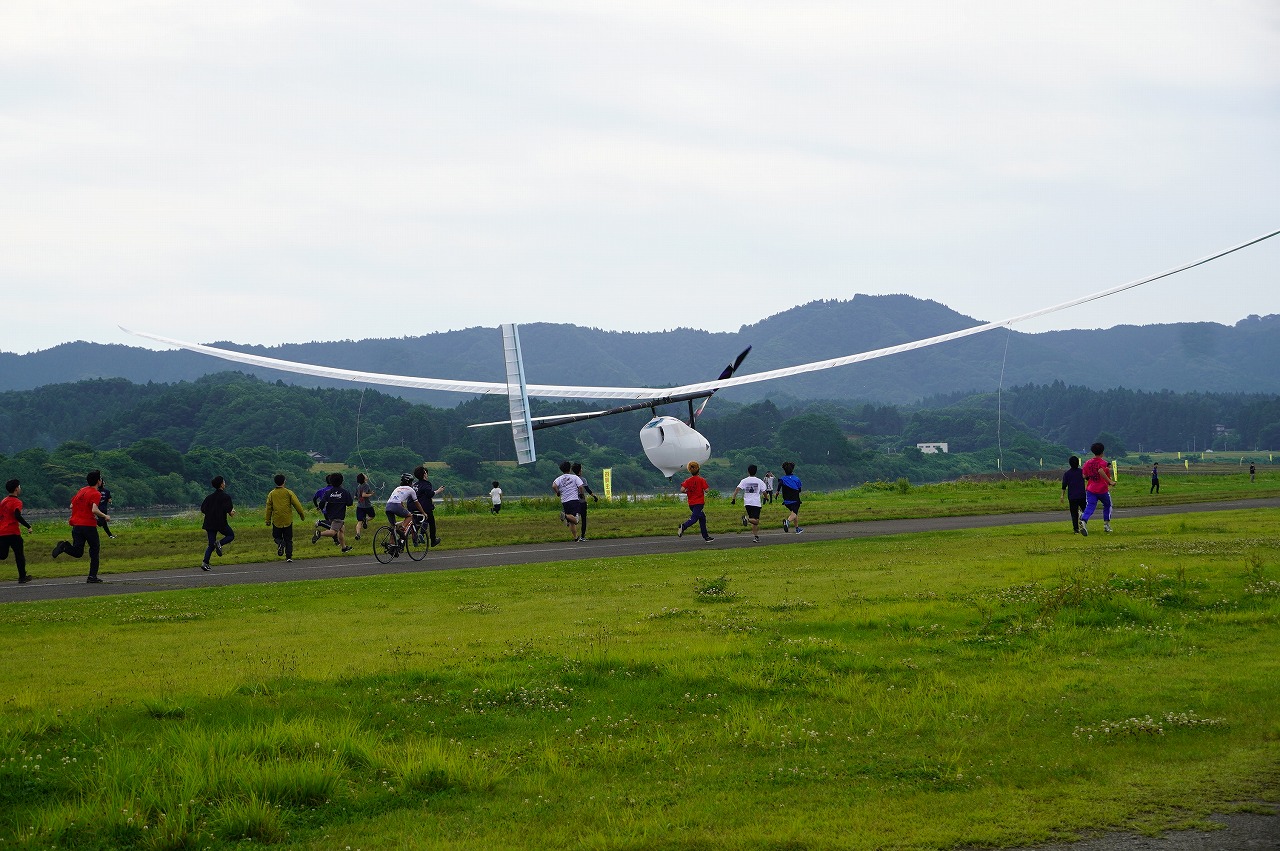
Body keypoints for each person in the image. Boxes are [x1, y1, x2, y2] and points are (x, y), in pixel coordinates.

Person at [51, 469, 111, 583]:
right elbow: (94, 509)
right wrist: (105, 516)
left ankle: (64, 546)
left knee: (78, 552)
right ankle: (92, 576)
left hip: (76, 525)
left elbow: (71, 505)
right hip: (88, 526)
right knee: (94, 549)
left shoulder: (82, 490)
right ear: (98, 481)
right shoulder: (96, 493)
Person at [264, 474, 306, 562]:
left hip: (277, 519)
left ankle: (280, 543)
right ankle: (289, 557)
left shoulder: (271, 494)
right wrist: (302, 515)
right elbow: (297, 504)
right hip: (287, 519)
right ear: (284, 481)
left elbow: (268, 508)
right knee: (289, 539)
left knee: (276, 536)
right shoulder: (289, 492)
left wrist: (267, 520)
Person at [0, 479, 33, 583]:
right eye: (19, 487)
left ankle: (23, 577)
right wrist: (28, 526)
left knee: (3, 555)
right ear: (16, 489)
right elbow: (17, 515)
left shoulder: (3, 501)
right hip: (13, 532)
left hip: (2, 532)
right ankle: (22, 577)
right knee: (19, 555)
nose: (20, 488)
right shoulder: (17, 502)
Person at [1079, 442, 1115, 536]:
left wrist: (1089, 477)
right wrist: (1110, 482)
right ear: (1102, 452)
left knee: (1090, 506)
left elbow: (1084, 475)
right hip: (1102, 489)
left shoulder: (1087, 463)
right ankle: (1106, 524)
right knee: (1107, 505)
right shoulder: (1104, 463)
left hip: (1091, 489)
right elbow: (1101, 471)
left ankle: (1083, 520)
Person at [199, 476, 235, 570]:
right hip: (221, 523)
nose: (224, 483)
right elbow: (230, 512)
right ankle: (219, 543)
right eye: (224, 482)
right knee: (230, 535)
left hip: (209, 523)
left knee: (211, 544)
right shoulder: (226, 497)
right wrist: (232, 512)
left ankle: (205, 563)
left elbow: (203, 509)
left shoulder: (209, 498)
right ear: (221, 484)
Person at [313, 472, 355, 552]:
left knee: (341, 529)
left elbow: (322, 503)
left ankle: (344, 547)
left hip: (330, 515)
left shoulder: (328, 492)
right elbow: (350, 503)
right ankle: (319, 534)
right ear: (342, 481)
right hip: (339, 515)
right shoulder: (345, 492)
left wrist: (320, 508)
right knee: (333, 532)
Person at [677, 460, 714, 542]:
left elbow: (682, 489)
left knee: (702, 518)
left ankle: (706, 536)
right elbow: (707, 490)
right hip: (699, 503)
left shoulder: (688, 480)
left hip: (691, 503)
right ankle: (683, 526)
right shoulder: (701, 480)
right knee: (694, 518)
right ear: (698, 469)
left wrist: (688, 492)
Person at [385, 473, 426, 543]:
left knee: (393, 527)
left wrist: (404, 510)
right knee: (409, 516)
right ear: (409, 482)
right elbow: (417, 503)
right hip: (396, 506)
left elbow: (399, 501)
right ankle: (402, 529)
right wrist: (423, 512)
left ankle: (391, 545)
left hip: (388, 506)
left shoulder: (397, 488)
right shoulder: (411, 489)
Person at [731, 464, 767, 543]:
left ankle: (756, 536)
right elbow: (764, 491)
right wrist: (766, 498)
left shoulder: (744, 480)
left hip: (747, 503)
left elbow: (737, 489)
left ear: (748, 471)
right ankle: (746, 519)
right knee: (756, 521)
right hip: (756, 503)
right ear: (756, 471)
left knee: (753, 520)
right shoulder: (759, 481)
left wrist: (733, 498)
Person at [552, 461, 585, 542]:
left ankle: (575, 537)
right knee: (576, 520)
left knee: (571, 522)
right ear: (570, 469)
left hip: (565, 501)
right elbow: (580, 486)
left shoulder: (559, 478)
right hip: (573, 500)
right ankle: (565, 516)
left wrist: (558, 492)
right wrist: (581, 494)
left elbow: (554, 485)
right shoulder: (574, 477)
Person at [413, 466, 444, 547]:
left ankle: (415, 538)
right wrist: (438, 491)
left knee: (417, 523)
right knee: (432, 523)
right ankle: (433, 540)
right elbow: (430, 494)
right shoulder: (426, 484)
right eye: (426, 473)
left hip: (414, 507)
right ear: (424, 474)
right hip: (425, 508)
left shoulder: (415, 485)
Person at [572, 462, 599, 540]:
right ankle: (582, 536)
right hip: (581, 500)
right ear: (580, 470)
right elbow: (587, 489)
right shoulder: (582, 479)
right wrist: (594, 496)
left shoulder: (572, 478)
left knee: (574, 517)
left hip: (573, 500)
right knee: (584, 519)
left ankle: (571, 520)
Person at [1060, 456, 1088, 533]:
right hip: (1082, 495)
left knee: (1073, 513)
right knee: (1085, 511)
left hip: (1072, 496)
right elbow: (1088, 478)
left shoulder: (1067, 474)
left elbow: (1064, 485)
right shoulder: (1082, 472)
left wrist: (1062, 495)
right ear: (1078, 463)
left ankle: (1076, 529)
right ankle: (1083, 524)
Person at [778, 461, 803, 534]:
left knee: (794, 513)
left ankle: (797, 528)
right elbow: (799, 489)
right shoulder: (796, 479)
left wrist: (777, 492)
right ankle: (787, 522)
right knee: (794, 513)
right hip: (795, 500)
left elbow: (779, 485)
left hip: (786, 501)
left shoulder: (782, 479)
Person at [353, 473, 376, 539]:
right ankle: (365, 520)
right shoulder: (366, 485)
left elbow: (355, 497)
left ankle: (358, 534)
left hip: (359, 506)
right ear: (363, 478)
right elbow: (364, 495)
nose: (366, 475)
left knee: (359, 521)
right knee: (372, 516)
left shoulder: (358, 486)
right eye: (364, 475)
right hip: (367, 505)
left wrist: (359, 498)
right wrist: (371, 494)